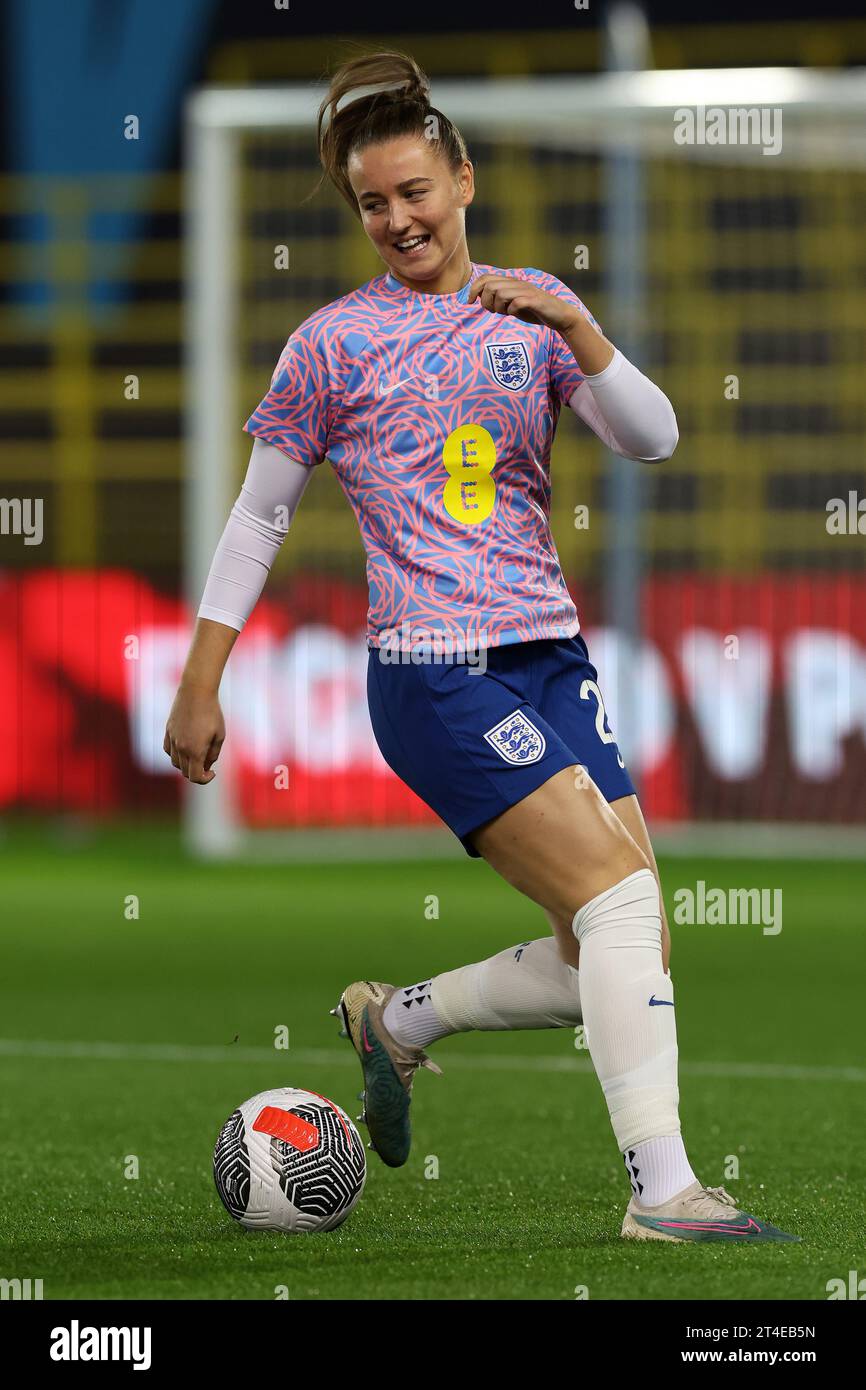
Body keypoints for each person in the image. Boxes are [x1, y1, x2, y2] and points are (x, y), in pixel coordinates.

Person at [165, 49, 797, 1243]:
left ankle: (396, 1020)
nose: (395, 218)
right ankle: (661, 1192)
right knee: (616, 901)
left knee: (616, 944)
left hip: (551, 659)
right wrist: (202, 675)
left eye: (414, 190)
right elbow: (258, 514)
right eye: (371, 202)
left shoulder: (530, 311)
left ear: (462, 178)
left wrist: (579, 323)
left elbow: (652, 439)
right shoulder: (329, 346)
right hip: (433, 670)